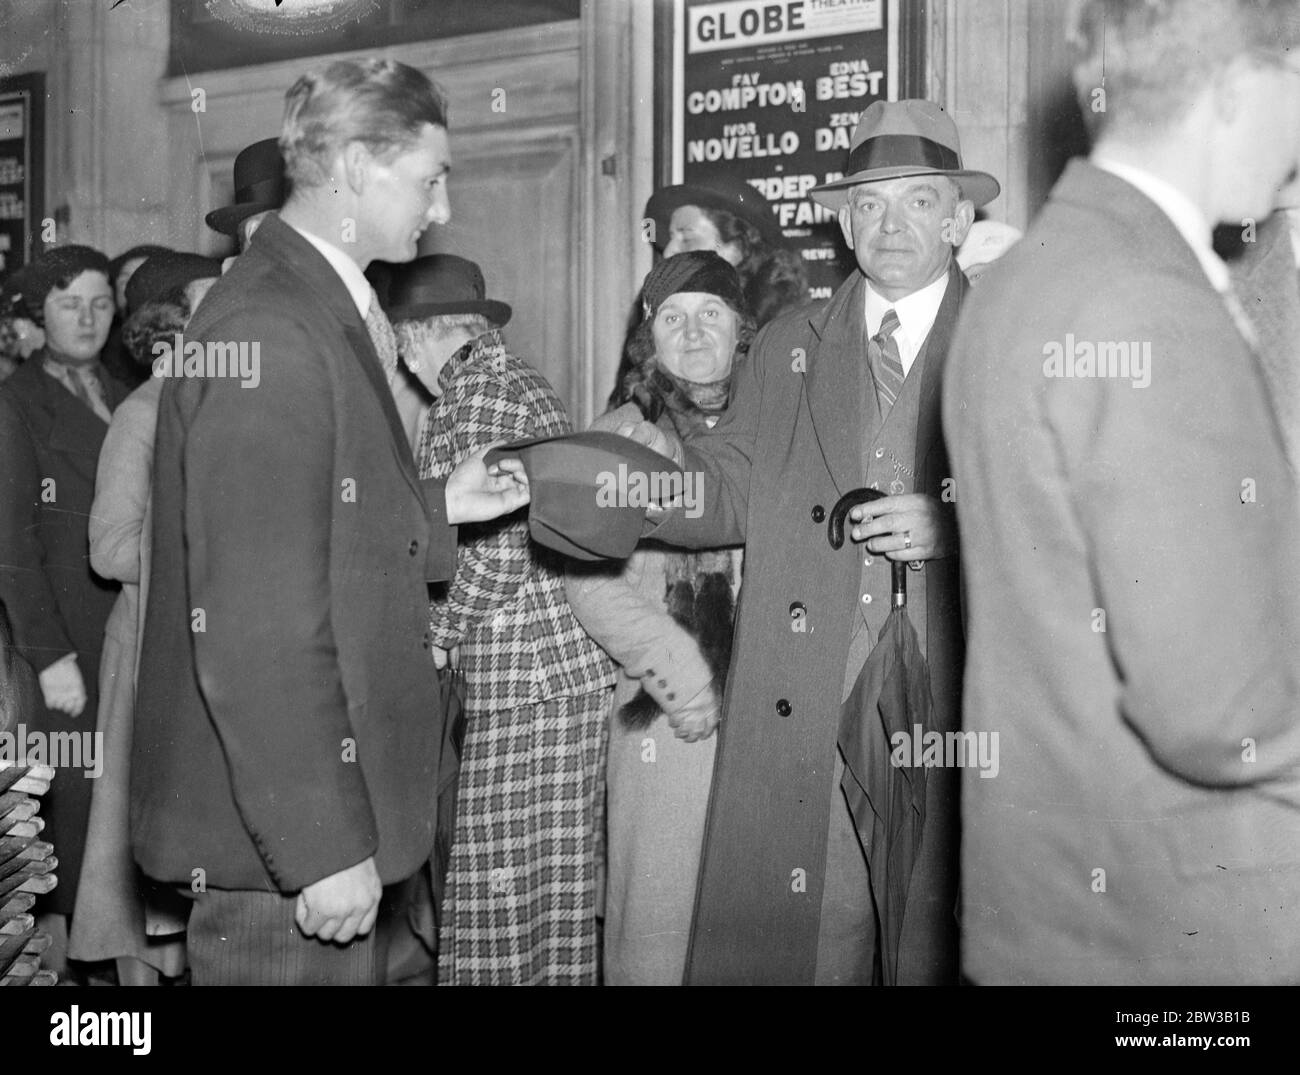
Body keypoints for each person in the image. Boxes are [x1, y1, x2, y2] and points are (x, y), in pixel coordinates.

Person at [131, 57, 529, 987]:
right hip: (287, 853)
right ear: (355, 165)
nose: (439, 207)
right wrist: (318, 843)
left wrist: (437, 505)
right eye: (430, 177)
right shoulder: (273, 328)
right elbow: (255, 620)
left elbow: (315, 526)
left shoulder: (309, 305)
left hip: (309, 826)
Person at [944, 0, 1300, 984]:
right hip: (1182, 933)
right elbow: (1215, 712)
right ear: (1236, 92)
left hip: (1057, 911)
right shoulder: (1151, 303)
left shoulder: (1026, 278)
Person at [602, 100, 996, 984]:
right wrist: (609, 488)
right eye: (869, 203)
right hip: (803, 703)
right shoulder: (786, 343)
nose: (890, 224)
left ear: (960, 217)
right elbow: (727, 488)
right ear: (844, 220)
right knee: (812, 944)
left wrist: (960, 521)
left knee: (943, 944)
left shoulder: (1011, 338)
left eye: (918, 200)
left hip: (955, 710)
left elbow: (1073, 520)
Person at [388, 253, 613, 985]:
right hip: (548, 682)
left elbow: (502, 545)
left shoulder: (475, 397)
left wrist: (436, 633)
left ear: (414, 337)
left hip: (531, 685)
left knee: (501, 910)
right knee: (545, 906)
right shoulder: (507, 382)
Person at [566, 251, 751, 985]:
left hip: (769, 721)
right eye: (672, 317)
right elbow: (588, 578)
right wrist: (682, 674)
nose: (694, 331)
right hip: (669, 720)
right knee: (658, 936)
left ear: (744, 329)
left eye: (711, 313)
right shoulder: (622, 433)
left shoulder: (776, 428)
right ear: (650, 338)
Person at [67, 259, 219, 985]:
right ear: (169, 330)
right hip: (145, 650)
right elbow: (108, 545)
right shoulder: (143, 414)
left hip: (200, 647)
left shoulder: (219, 405)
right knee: (132, 855)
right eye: (205, 309)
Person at [0, 244, 134, 978]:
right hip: (63, 643)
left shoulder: (126, 388)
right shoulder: (16, 403)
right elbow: (11, 544)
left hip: (125, 633)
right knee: (67, 830)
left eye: (99, 303)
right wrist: (48, 658)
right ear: (36, 313)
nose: (86, 318)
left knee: (115, 822)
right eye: (67, 304)